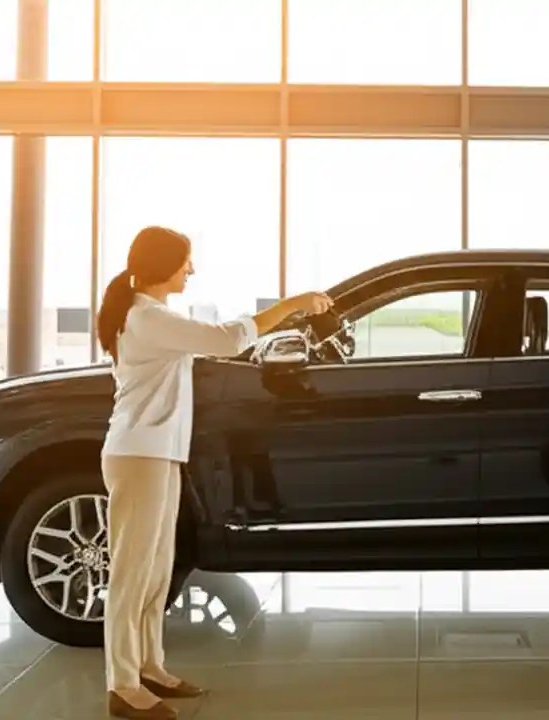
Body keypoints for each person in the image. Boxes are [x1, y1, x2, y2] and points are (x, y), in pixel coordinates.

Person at [96, 226, 331, 720]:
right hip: (139, 455)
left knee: (157, 569)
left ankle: (150, 665)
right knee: (131, 573)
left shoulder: (151, 315)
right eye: (186, 262)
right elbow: (226, 340)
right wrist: (291, 304)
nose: (192, 270)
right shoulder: (147, 317)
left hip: (156, 453)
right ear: (164, 265)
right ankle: (122, 685)